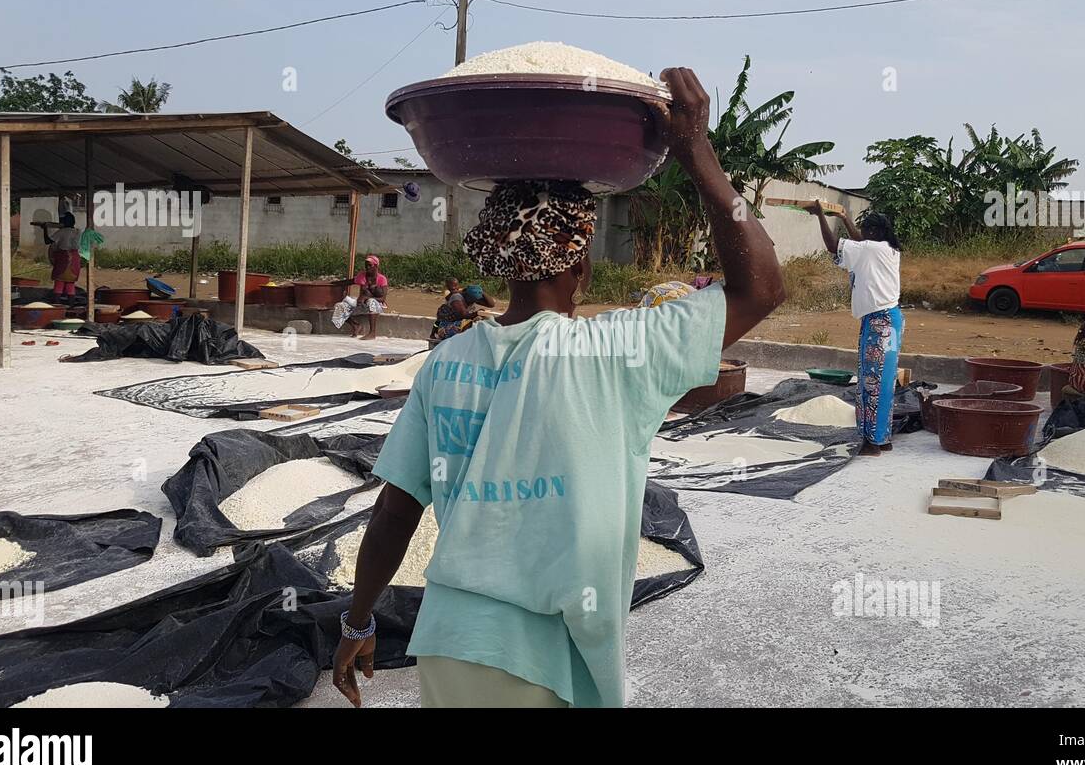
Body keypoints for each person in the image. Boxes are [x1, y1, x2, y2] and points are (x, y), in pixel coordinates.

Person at [331, 67, 785, 708]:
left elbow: (395, 513)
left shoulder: (445, 362)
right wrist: (695, 149)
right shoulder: (616, 350)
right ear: (581, 264)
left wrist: (357, 621)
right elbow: (762, 287)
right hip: (540, 661)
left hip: (448, 643)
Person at [808, 203, 903, 456]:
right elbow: (861, 242)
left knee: (871, 381)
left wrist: (820, 216)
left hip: (878, 322)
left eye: (864, 230)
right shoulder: (888, 249)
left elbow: (833, 246)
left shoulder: (870, 249)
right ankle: (882, 437)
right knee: (884, 382)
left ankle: (871, 443)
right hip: (891, 320)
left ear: (872, 231)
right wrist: (844, 217)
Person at [332, 255, 389, 340]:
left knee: (371, 301)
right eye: (366, 265)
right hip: (362, 305)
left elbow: (382, 299)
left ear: (376, 266)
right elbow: (349, 281)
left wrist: (366, 298)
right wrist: (333, 283)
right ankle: (355, 325)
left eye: (370, 265)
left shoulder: (381, 279)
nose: (367, 267)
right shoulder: (362, 276)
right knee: (339, 306)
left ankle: (372, 333)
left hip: (376, 307)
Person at [430, 282, 496, 346]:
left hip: (460, 324)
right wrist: (477, 313)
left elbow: (491, 304)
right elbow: (464, 315)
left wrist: (481, 291)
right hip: (446, 327)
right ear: (467, 295)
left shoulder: (471, 297)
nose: (474, 301)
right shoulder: (456, 298)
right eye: (473, 299)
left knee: (487, 320)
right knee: (472, 323)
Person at [42, 212, 81, 303]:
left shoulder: (62, 231)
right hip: (75, 259)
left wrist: (45, 229)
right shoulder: (78, 231)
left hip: (64, 258)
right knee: (70, 284)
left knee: (59, 282)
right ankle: (71, 306)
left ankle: (57, 306)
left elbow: (48, 241)